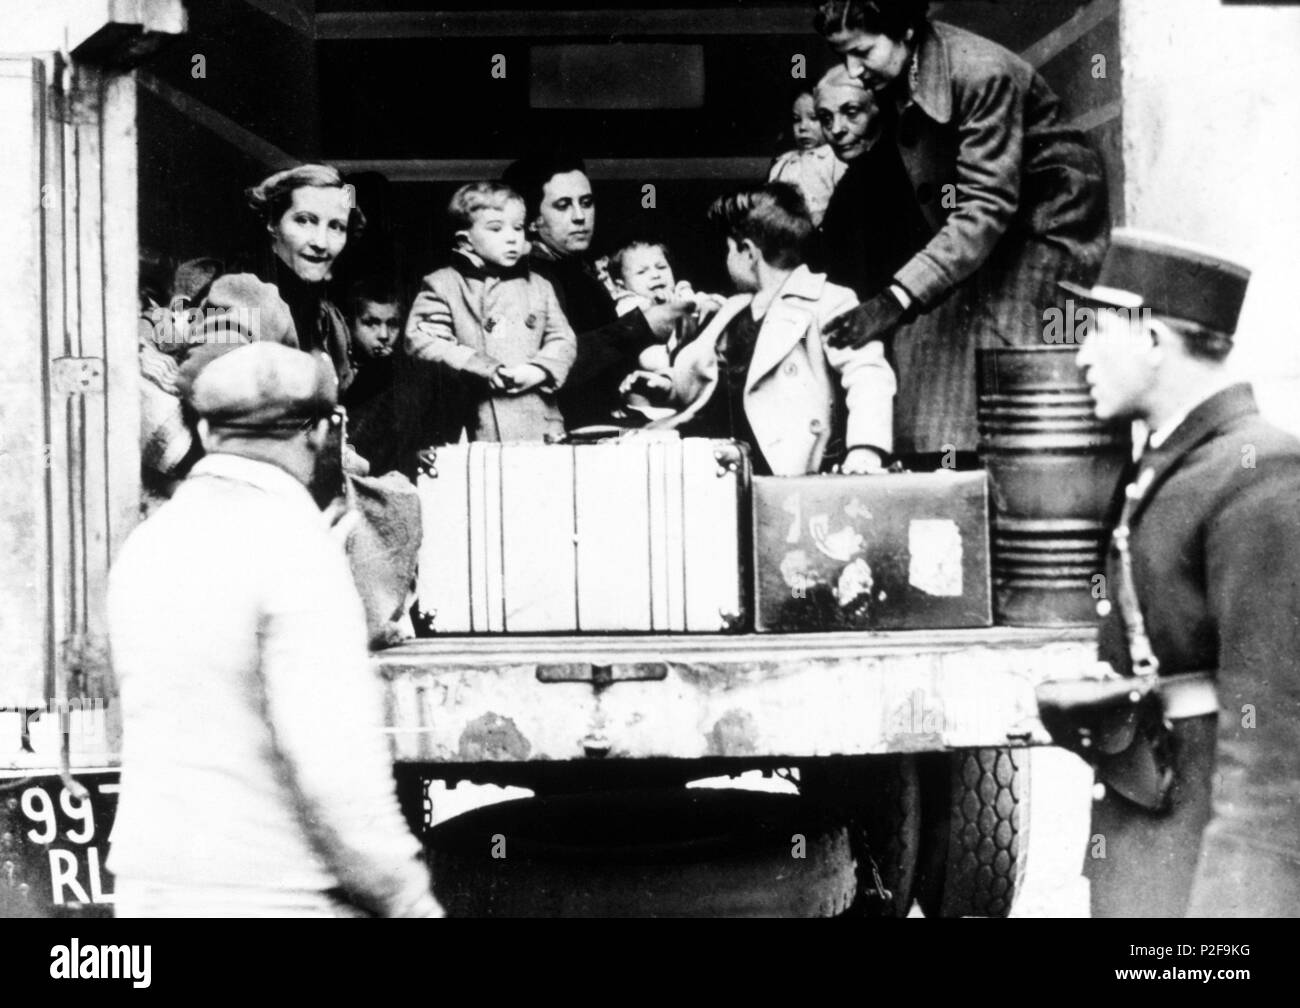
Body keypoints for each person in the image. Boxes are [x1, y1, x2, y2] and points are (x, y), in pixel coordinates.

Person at [107, 342, 441, 917]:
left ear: (208, 433)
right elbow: (333, 767)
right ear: (321, 433)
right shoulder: (298, 550)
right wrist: (407, 898)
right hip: (271, 892)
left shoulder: (149, 544)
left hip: (153, 889)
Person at [1065, 229, 1300, 917]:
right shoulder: (1175, 463)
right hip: (1154, 841)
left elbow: (1277, 741)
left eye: (1098, 330)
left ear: (1153, 341)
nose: (1080, 355)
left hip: (1202, 871)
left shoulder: (1261, 474)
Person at [813, 0, 1108, 462]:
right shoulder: (897, 74)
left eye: (863, 52)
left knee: (1006, 369)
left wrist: (895, 298)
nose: (853, 69)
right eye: (842, 54)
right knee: (921, 356)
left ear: (906, 32)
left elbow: (986, 206)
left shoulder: (983, 72)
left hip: (1042, 228)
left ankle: (985, 482)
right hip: (984, 231)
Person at [653, 183, 895, 477]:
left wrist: (865, 450)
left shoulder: (826, 300)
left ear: (748, 252)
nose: (725, 260)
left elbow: (868, 376)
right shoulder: (732, 310)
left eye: (728, 250)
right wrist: (666, 386)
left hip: (794, 472)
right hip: (726, 469)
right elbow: (706, 381)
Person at [498, 152, 695, 429]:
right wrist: (640, 326)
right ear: (532, 221)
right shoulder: (526, 277)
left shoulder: (579, 270)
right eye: (563, 206)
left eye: (586, 203)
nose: (580, 217)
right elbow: (543, 363)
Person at [404, 181, 577, 443]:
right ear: (466, 240)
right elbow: (422, 340)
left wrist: (539, 371)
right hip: (476, 419)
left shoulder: (540, 286)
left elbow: (563, 340)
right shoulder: (443, 284)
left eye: (518, 227)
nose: (512, 237)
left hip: (539, 417)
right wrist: (481, 366)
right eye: (496, 228)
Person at [341, 277, 405, 473]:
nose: (384, 335)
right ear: (349, 324)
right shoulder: (337, 367)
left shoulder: (399, 375)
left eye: (393, 324)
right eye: (371, 323)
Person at [767, 88, 847, 228]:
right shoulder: (783, 162)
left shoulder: (835, 158)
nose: (802, 127)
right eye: (797, 119)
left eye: (813, 118)